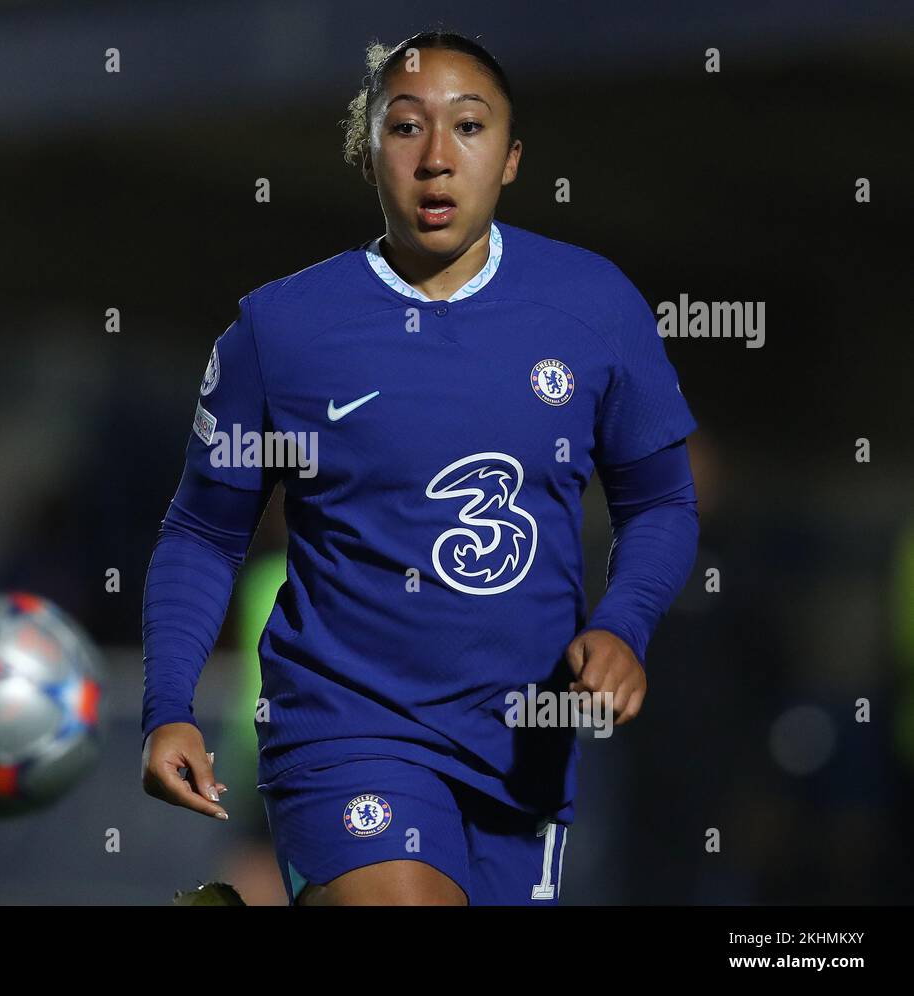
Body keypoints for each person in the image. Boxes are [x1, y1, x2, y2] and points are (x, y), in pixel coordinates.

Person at [140, 29, 699, 905]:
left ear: (511, 159)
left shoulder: (593, 306)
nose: (437, 158)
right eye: (405, 128)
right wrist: (169, 702)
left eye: (468, 127)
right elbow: (205, 531)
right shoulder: (280, 331)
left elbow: (661, 500)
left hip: (523, 745)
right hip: (345, 726)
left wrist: (624, 625)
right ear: (367, 155)